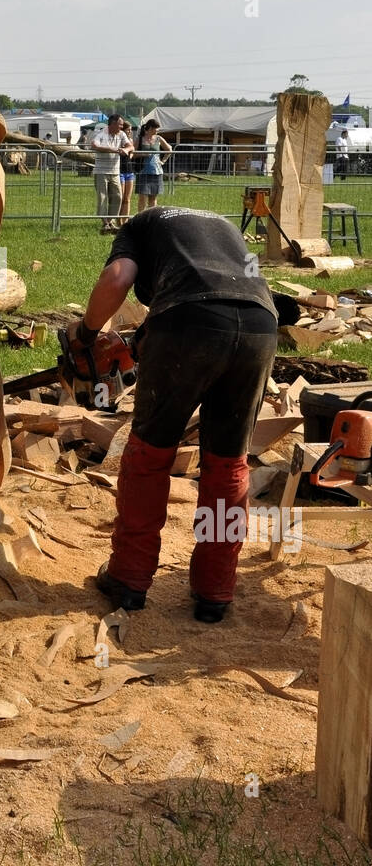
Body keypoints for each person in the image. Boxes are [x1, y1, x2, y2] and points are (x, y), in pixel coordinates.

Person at [66, 207, 291, 623]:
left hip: (188, 321)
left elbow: (117, 278)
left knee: (150, 455)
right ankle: (215, 591)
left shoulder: (137, 226)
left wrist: (86, 333)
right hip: (261, 323)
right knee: (228, 464)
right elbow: (226, 292)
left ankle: (129, 581)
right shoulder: (221, 225)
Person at [92, 114, 132, 233]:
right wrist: (112, 149)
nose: (122, 126)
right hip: (101, 171)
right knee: (102, 197)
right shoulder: (101, 133)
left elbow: (131, 146)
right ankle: (105, 224)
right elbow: (94, 145)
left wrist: (126, 149)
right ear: (113, 123)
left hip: (115, 171)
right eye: (120, 124)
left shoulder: (122, 134)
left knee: (118, 196)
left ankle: (110, 221)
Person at [135, 119, 172, 210]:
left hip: (157, 172)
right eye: (156, 129)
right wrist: (143, 154)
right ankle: (141, 219)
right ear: (151, 128)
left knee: (153, 198)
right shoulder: (140, 139)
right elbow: (133, 154)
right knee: (142, 198)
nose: (157, 130)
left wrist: (163, 161)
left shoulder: (159, 138)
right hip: (143, 171)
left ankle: (151, 219)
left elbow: (169, 149)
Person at [118, 123, 135, 226]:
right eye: (128, 129)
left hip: (129, 171)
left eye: (130, 130)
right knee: (120, 198)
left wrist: (130, 155)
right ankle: (118, 220)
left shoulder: (131, 141)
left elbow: (132, 152)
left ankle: (126, 222)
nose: (130, 131)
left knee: (127, 198)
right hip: (119, 171)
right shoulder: (119, 140)